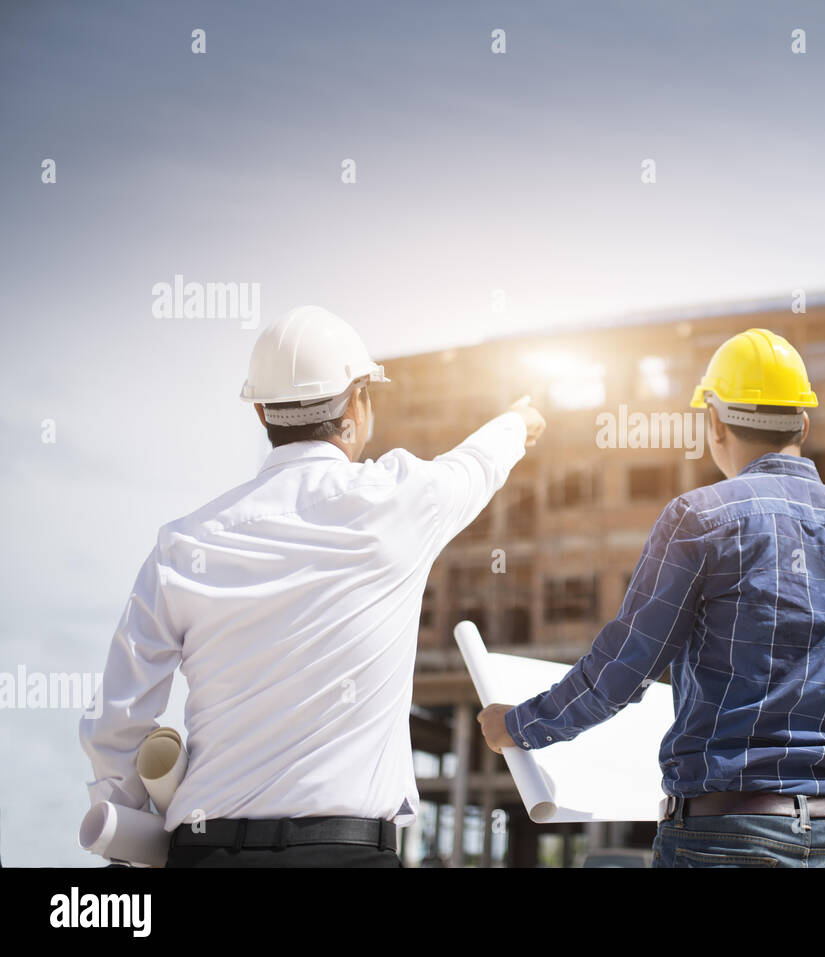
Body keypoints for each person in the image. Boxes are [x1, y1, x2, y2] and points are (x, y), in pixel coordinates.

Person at [79, 305, 545, 867]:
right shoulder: (401, 499)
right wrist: (518, 421)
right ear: (357, 405)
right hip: (346, 855)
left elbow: (117, 721)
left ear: (260, 412)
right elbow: (477, 462)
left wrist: (130, 829)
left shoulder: (182, 545)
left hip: (206, 854)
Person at [478, 328, 825, 868]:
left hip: (723, 836)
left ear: (715, 423)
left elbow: (622, 671)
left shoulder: (700, 519)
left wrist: (519, 725)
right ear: (804, 424)